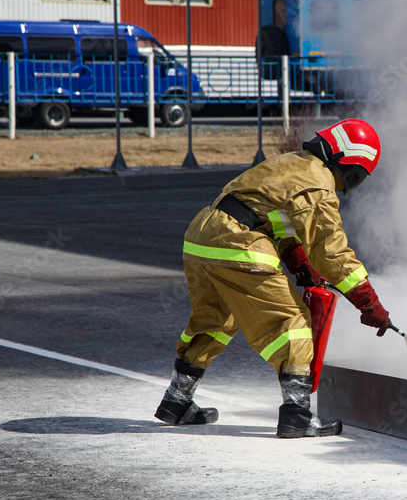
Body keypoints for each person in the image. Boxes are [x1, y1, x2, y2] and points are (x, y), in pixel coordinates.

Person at [155, 118, 393, 438]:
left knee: (215, 319)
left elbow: (276, 221)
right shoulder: (318, 183)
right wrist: (369, 302)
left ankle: (177, 399)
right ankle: (297, 414)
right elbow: (331, 251)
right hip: (238, 244)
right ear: (353, 166)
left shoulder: (291, 163)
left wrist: (300, 265)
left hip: (202, 237)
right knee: (292, 324)